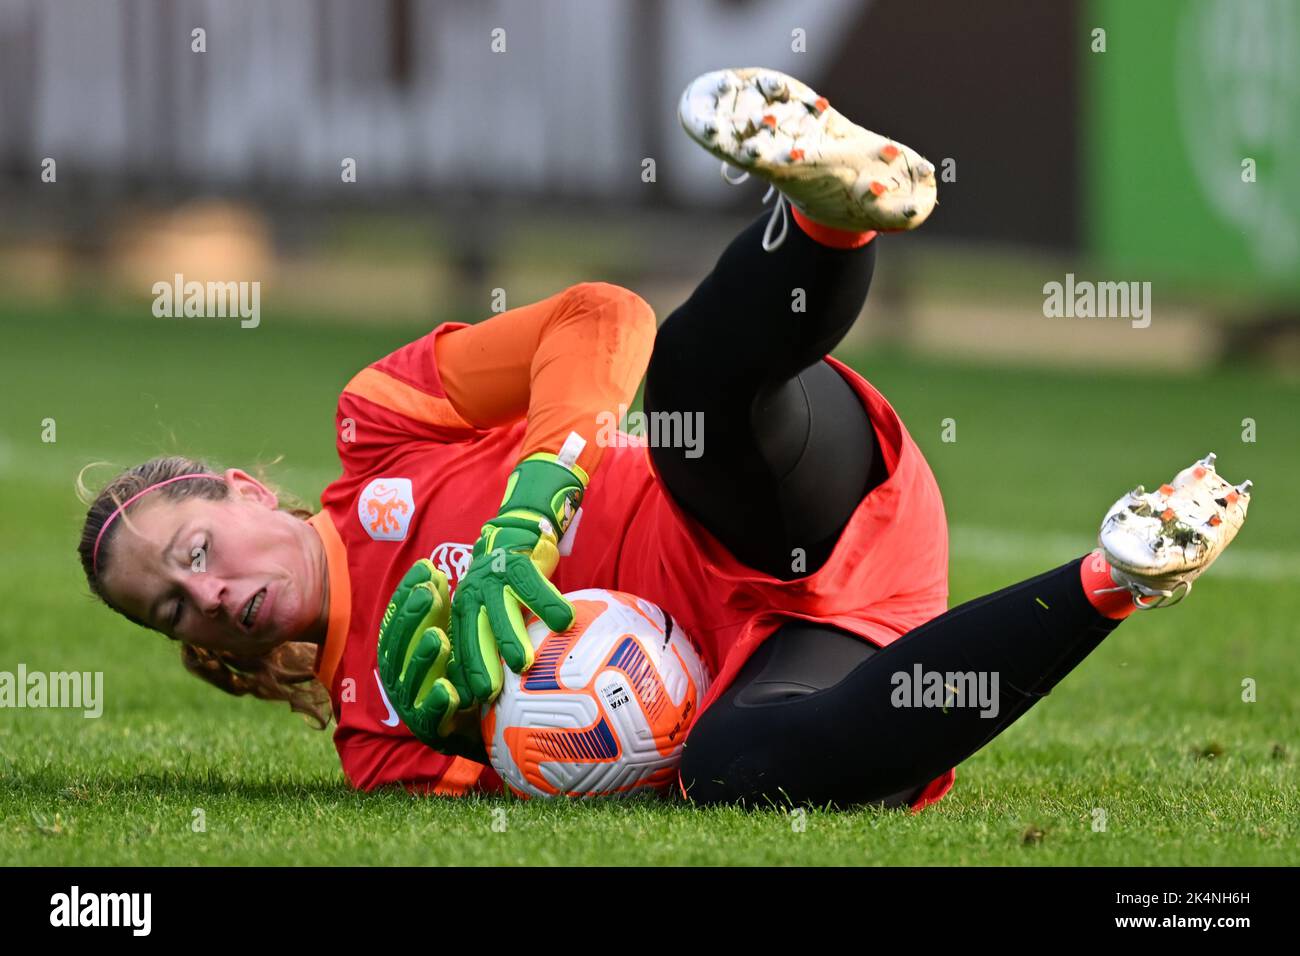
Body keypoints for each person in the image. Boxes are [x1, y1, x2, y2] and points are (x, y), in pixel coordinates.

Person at [78, 68, 1252, 810]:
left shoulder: (377, 422)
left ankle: (831, 210)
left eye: (193, 553)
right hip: (796, 648)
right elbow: (587, 776)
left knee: (686, 397)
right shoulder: (382, 742)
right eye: (172, 610)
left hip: (776, 495)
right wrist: (471, 719)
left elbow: (602, 317)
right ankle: (1122, 569)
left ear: (239, 489)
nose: (216, 594)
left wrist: (535, 496)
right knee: (733, 776)